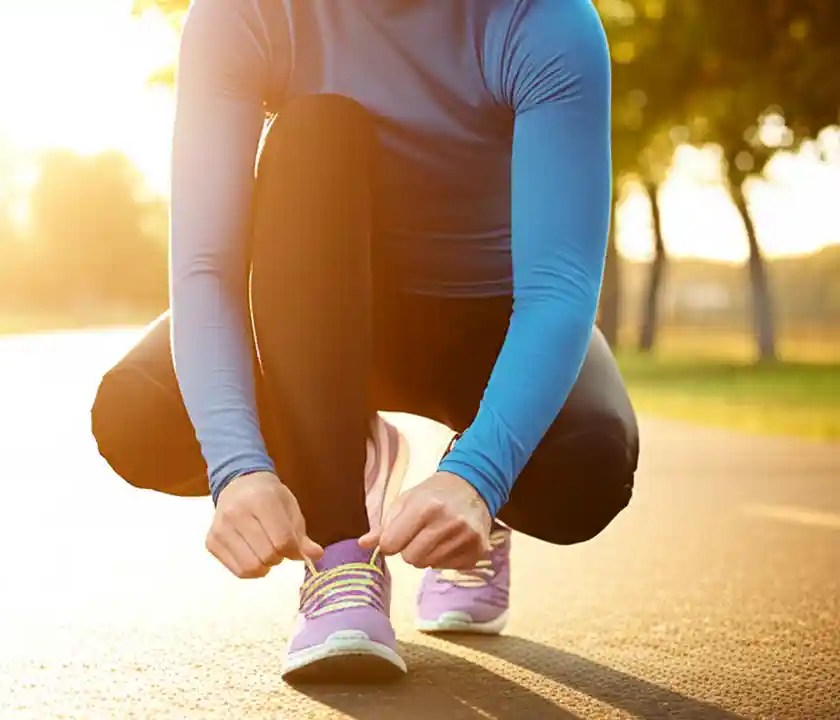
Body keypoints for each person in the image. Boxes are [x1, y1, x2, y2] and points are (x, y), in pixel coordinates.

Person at [91, 0, 639, 683]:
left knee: (584, 473)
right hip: (309, 314)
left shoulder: (541, 19)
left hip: (488, 323)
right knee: (140, 418)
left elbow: (558, 286)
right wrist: (239, 467)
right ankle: (342, 551)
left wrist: (479, 475)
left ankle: (465, 485)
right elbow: (206, 268)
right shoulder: (241, 13)